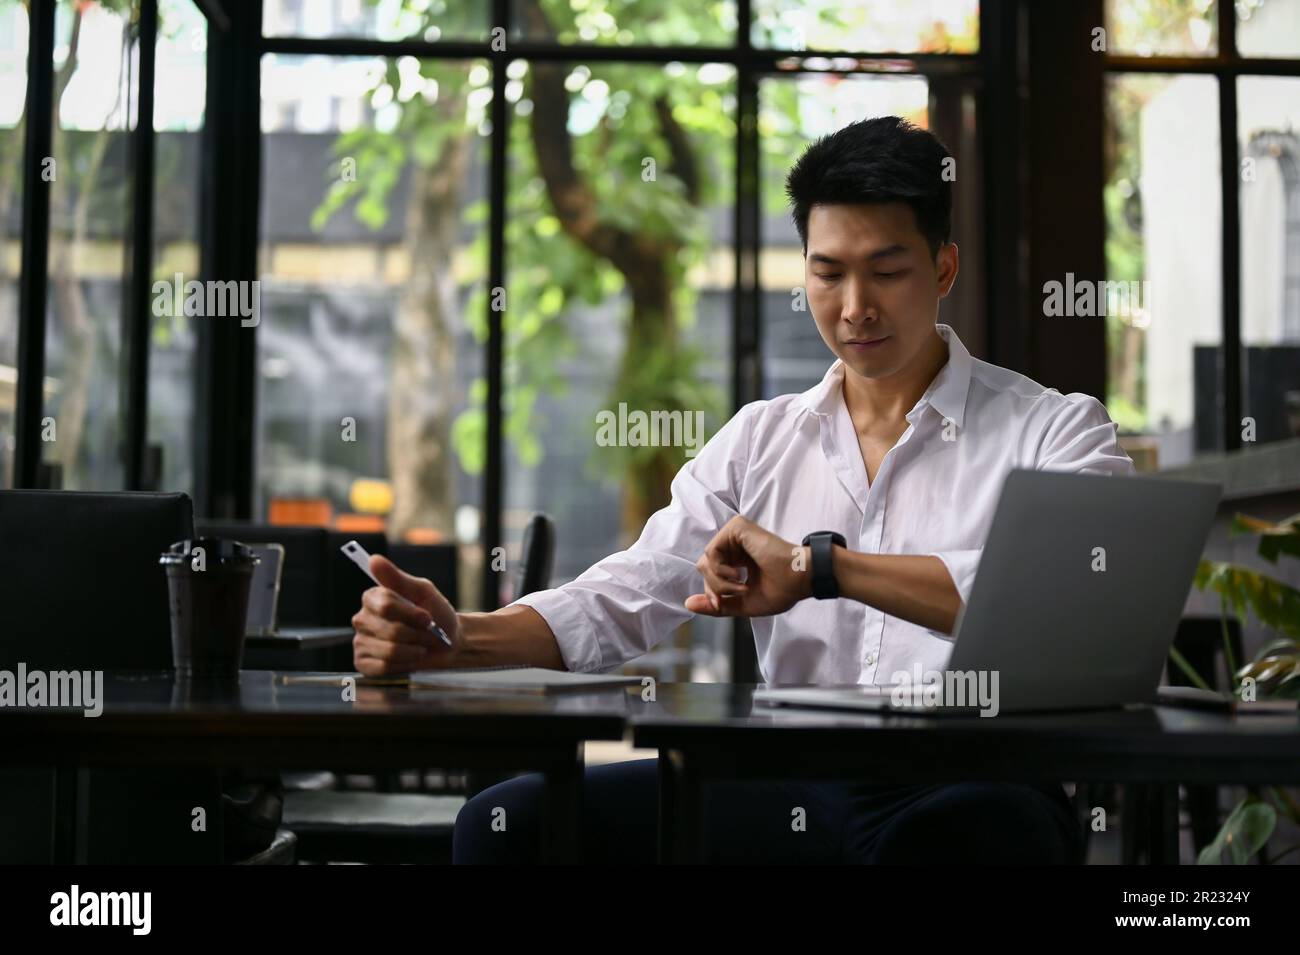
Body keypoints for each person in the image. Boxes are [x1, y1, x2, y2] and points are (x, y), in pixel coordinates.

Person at [350, 115, 1134, 864]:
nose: (855, 307)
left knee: (961, 838)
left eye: (887, 272)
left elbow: (1071, 601)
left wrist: (822, 567)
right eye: (828, 273)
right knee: (508, 824)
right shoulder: (762, 438)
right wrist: (457, 638)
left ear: (943, 267)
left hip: (980, 777)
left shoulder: (1053, 428)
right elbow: (628, 593)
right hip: (791, 777)